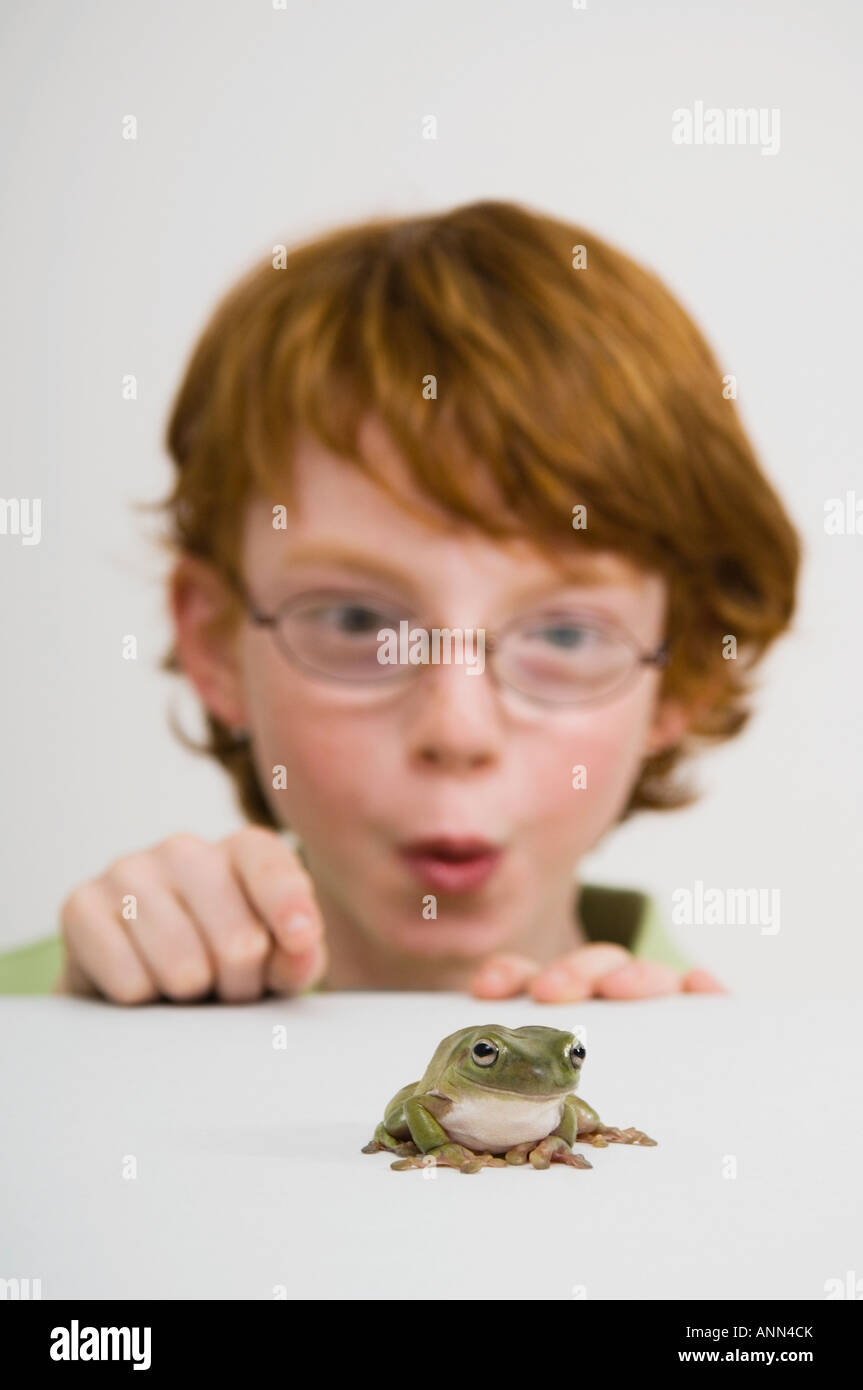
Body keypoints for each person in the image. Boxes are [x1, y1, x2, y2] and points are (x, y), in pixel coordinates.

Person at [0, 200, 800, 1004]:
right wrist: (72, 1051)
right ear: (215, 643)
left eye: (562, 632)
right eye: (359, 623)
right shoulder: (36, 1018)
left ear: (684, 665)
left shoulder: (755, 1082)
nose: (455, 730)